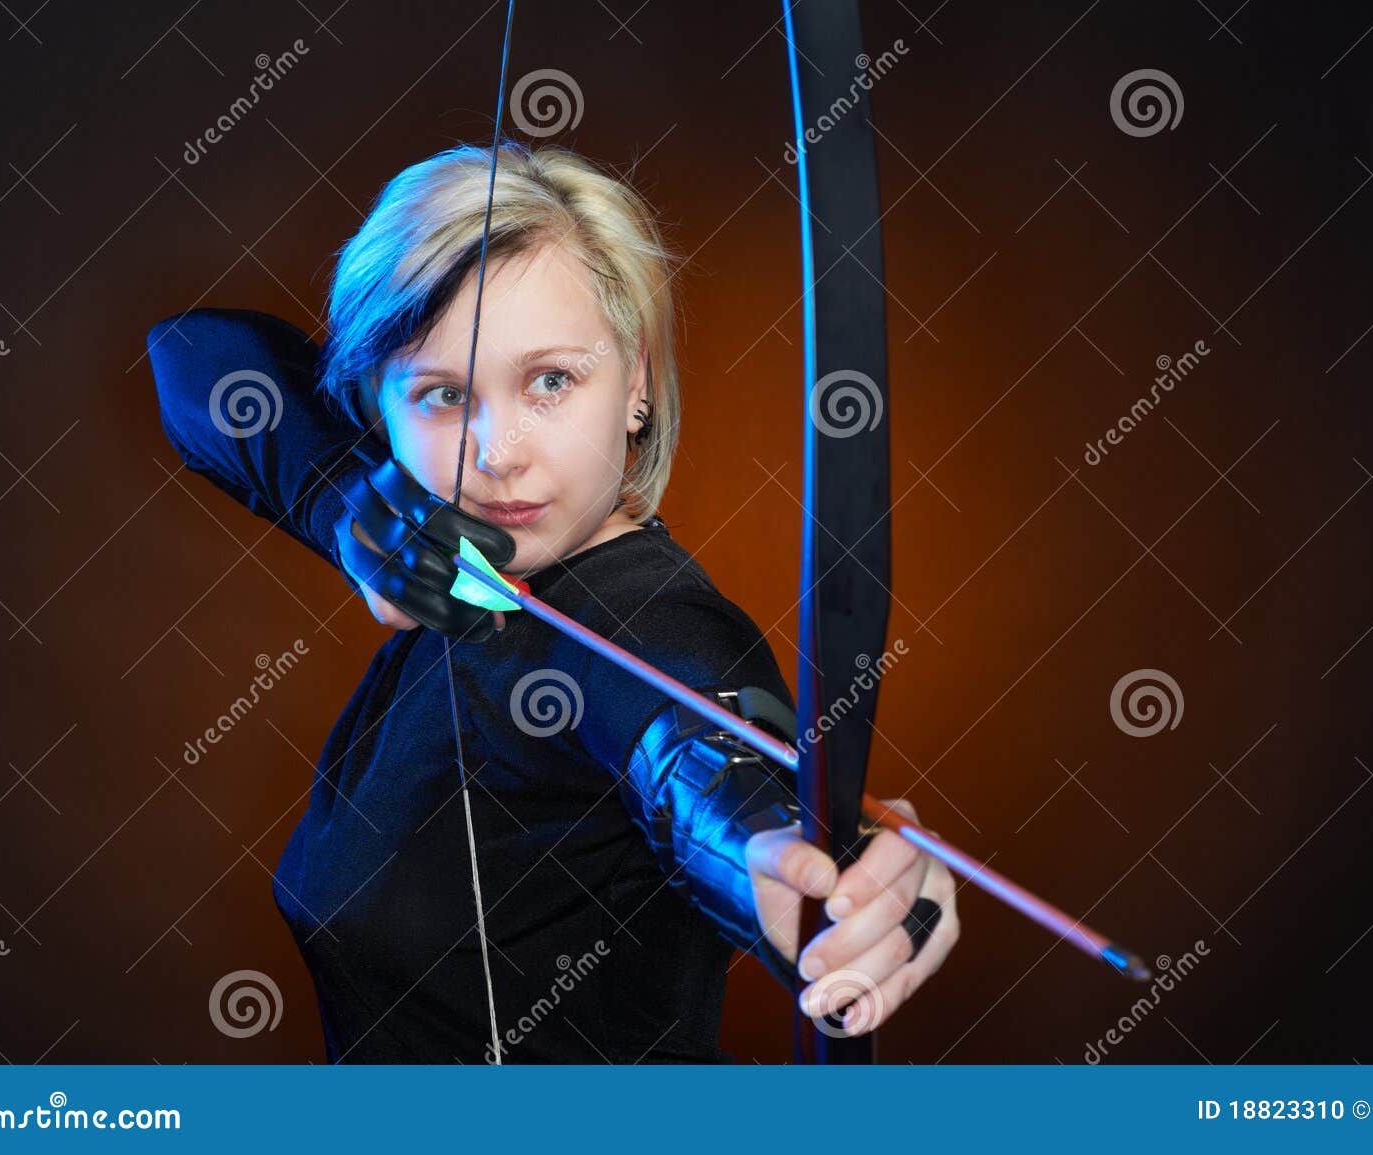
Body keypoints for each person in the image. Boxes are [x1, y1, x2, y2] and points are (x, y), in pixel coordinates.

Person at [146, 141, 958, 1063]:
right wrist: (342, 504)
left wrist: (795, 872)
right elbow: (187, 355)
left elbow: (691, 748)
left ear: (637, 380)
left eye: (551, 380)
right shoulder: (462, 584)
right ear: (378, 403)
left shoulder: (652, 622)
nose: (498, 452)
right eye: (444, 393)